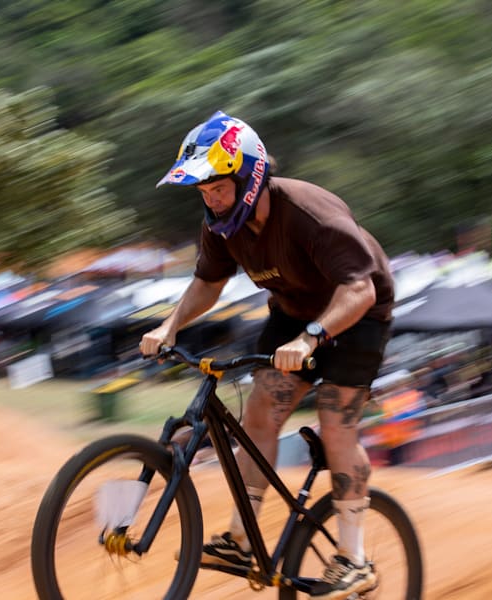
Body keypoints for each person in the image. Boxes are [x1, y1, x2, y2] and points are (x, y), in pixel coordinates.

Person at [139, 110, 395, 600]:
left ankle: (355, 560)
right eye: (203, 191)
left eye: (219, 187)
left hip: (358, 310)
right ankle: (241, 538)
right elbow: (209, 283)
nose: (212, 200)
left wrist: (311, 338)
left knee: (336, 421)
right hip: (294, 309)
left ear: (249, 176)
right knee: (260, 408)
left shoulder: (309, 213)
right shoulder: (221, 226)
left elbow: (359, 289)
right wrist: (169, 325)